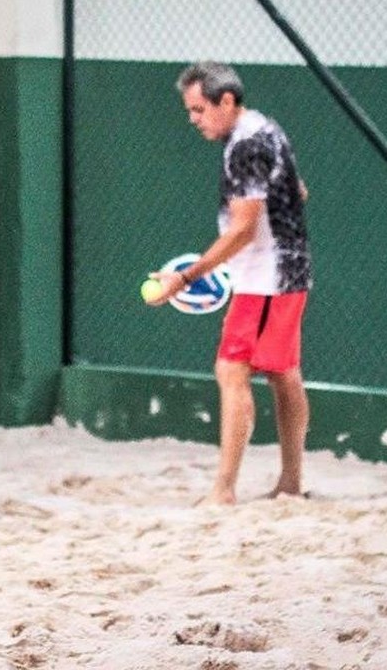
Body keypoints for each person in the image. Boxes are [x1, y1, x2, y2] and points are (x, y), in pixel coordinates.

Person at [145, 61, 313, 506]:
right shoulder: (265, 128)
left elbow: (241, 231)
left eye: (199, 109)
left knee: (232, 370)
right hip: (283, 269)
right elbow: (298, 190)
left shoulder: (246, 145)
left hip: (267, 276)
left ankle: (223, 490)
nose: (193, 119)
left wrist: (184, 278)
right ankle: (291, 483)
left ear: (227, 101)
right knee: (283, 373)